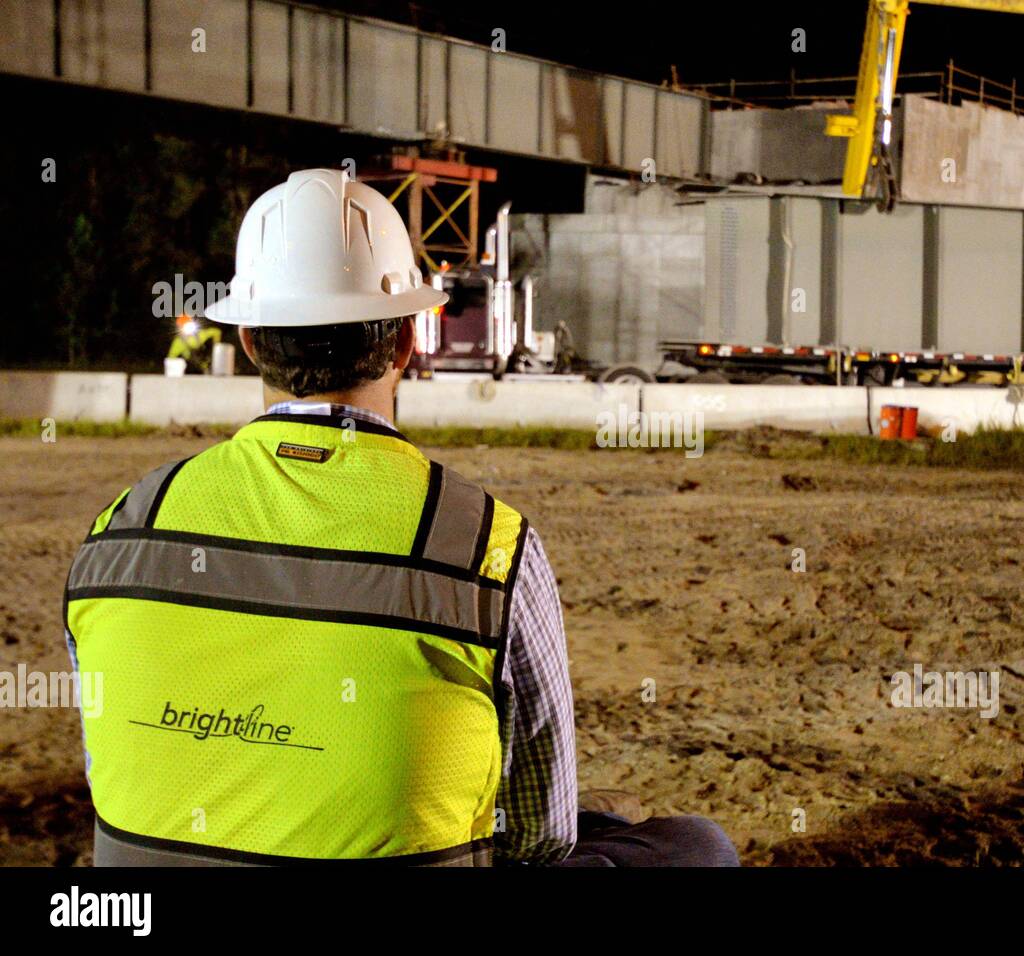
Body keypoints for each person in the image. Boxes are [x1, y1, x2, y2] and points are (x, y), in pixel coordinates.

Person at [65, 168, 737, 867]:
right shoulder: (486, 545)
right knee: (697, 848)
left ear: (254, 344)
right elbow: (542, 837)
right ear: (408, 342)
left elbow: (111, 772)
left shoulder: (119, 529)